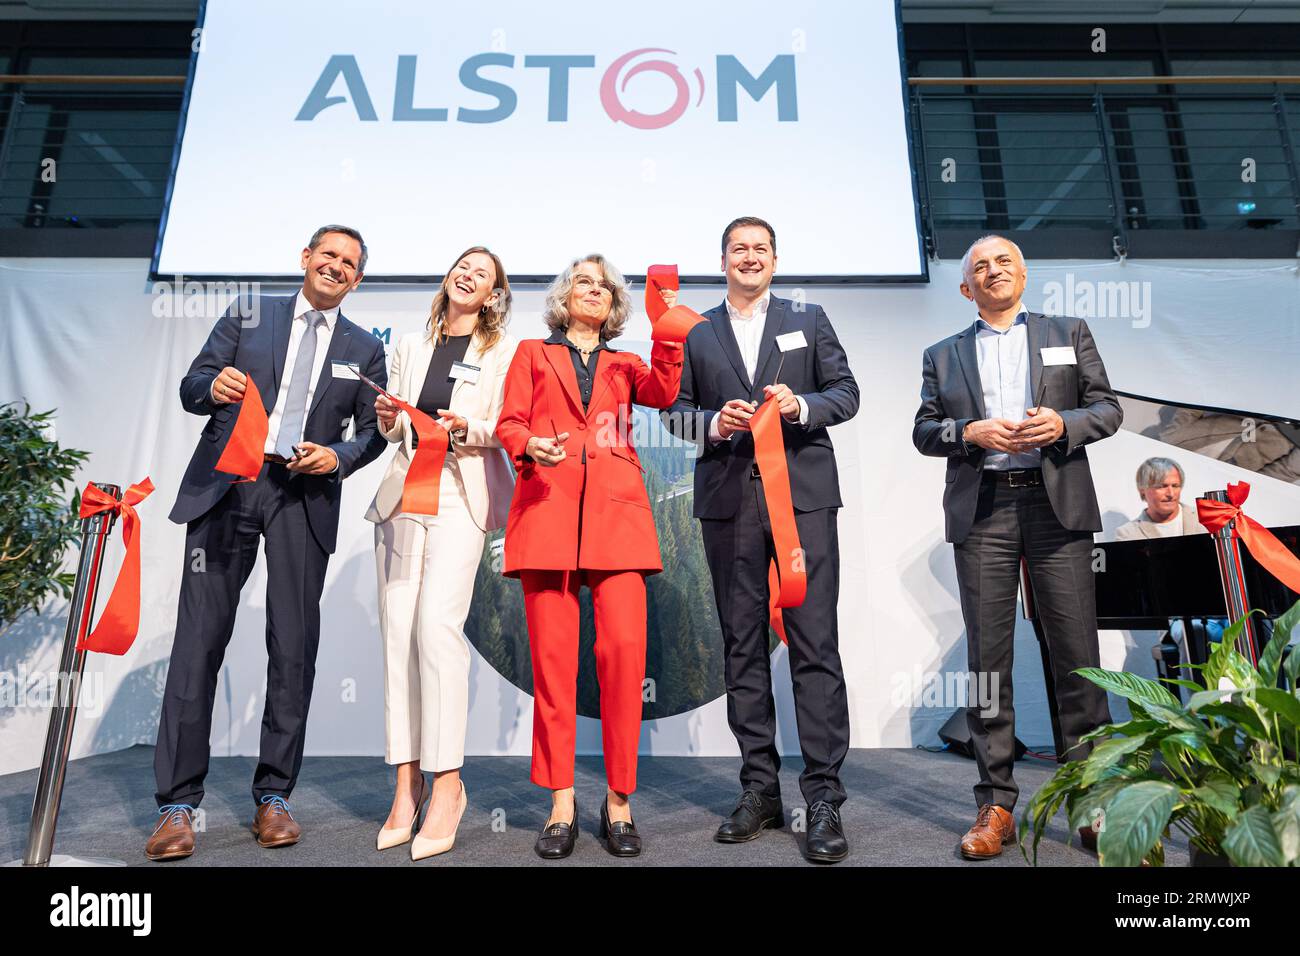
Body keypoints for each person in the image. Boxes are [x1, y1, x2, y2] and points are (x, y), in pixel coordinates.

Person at [148, 225, 388, 861]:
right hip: (228, 488)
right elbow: (193, 385)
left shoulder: (366, 349)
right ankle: (177, 806)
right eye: (328, 255)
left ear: (358, 279)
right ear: (305, 259)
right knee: (198, 644)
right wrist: (213, 387)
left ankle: (274, 795)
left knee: (293, 649)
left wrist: (334, 458)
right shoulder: (251, 313)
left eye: (350, 264)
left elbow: (372, 436)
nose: (336, 267)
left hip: (300, 500)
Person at [912, 234, 1121, 860]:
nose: (993, 271)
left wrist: (1065, 425)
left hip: (1056, 505)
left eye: (1004, 262)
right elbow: (925, 430)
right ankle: (996, 803)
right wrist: (968, 432)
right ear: (965, 287)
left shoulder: (1068, 329)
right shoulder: (942, 354)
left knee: (1077, 656)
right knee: (987, 665)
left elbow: (1107, 409)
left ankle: (1093, 801)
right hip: (985, 509)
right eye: (980, 266)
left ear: (1023, 275)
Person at [661, 216, 860, 864]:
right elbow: (676, 412)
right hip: (728, 503)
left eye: (761, 248)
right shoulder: (699, 332)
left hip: (800, 499)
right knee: (742, 645)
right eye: (738, 248)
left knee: (814, 644)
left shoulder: (810, 316)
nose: (750, 257)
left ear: (775, 258)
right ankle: (759, 789)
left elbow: (846, 394)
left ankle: (825, 796)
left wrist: (799, 406)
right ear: (722, 261)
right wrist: (713, 421)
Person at [495, 254, 683, 860]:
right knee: (553, 665)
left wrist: (667, 323)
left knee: (624, 655)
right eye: (584, 281)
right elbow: (509, 422)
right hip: (546, 510)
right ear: (563, 295)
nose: (594, 291)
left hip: (618, 516)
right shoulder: (531, 352)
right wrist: (529, 445)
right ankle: (561, 802)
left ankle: (620, 800)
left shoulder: (627, 363)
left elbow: (665, 389)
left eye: (605, 286)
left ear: (614, 304)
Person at [365, 246, 518, 859]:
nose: (467, 275)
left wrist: (462, 429)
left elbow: (503, 425)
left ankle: (447, 784)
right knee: (398, 634)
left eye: (481, 273)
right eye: (462, 265)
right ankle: (405, 787)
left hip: (460, 493)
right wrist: (388, 418)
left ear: (493, 294)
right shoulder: (408, 343)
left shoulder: (502, 351)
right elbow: (395, 424)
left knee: (436, 630)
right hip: (405, 491)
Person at [1114, 457, 1208, 539]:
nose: (1170, 494)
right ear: (1142, 489)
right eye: (1162, 486)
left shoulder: (1206, 518)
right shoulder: (1128, 534)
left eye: (1175, 486)